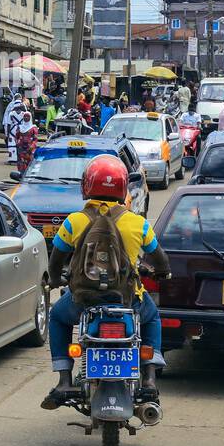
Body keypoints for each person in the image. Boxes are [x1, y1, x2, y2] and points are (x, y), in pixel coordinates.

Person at [41, 155, 170, 409]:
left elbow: (56, 261)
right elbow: (161, 260)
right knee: (152, 317)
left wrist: (56, 279)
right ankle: (150, 379)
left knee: (57, 315)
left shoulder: (75, 221)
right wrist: (161, 273)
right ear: (123, 188)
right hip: (128, 300)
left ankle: (65, 379)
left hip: (84, 300)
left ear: (87, 186)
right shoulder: (138, 223)